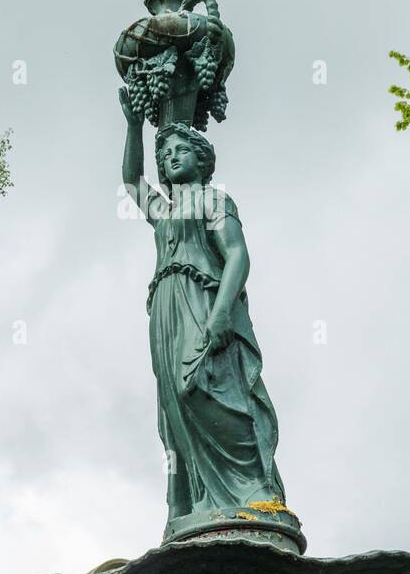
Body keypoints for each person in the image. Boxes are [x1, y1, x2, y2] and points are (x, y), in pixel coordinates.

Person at [119, 87, 288, 531]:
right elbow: (132, 182)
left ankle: (254, 488)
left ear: (202, 158)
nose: (172, 156)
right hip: (166, 309)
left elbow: (238, 256)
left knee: (207, 386)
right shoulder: (165, 209)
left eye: (181, 149)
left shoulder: (214, 200)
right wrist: (134, 125)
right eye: (166, 152)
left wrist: (220, 315)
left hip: (204, 299)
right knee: (174, 407)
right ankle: (193, 503)